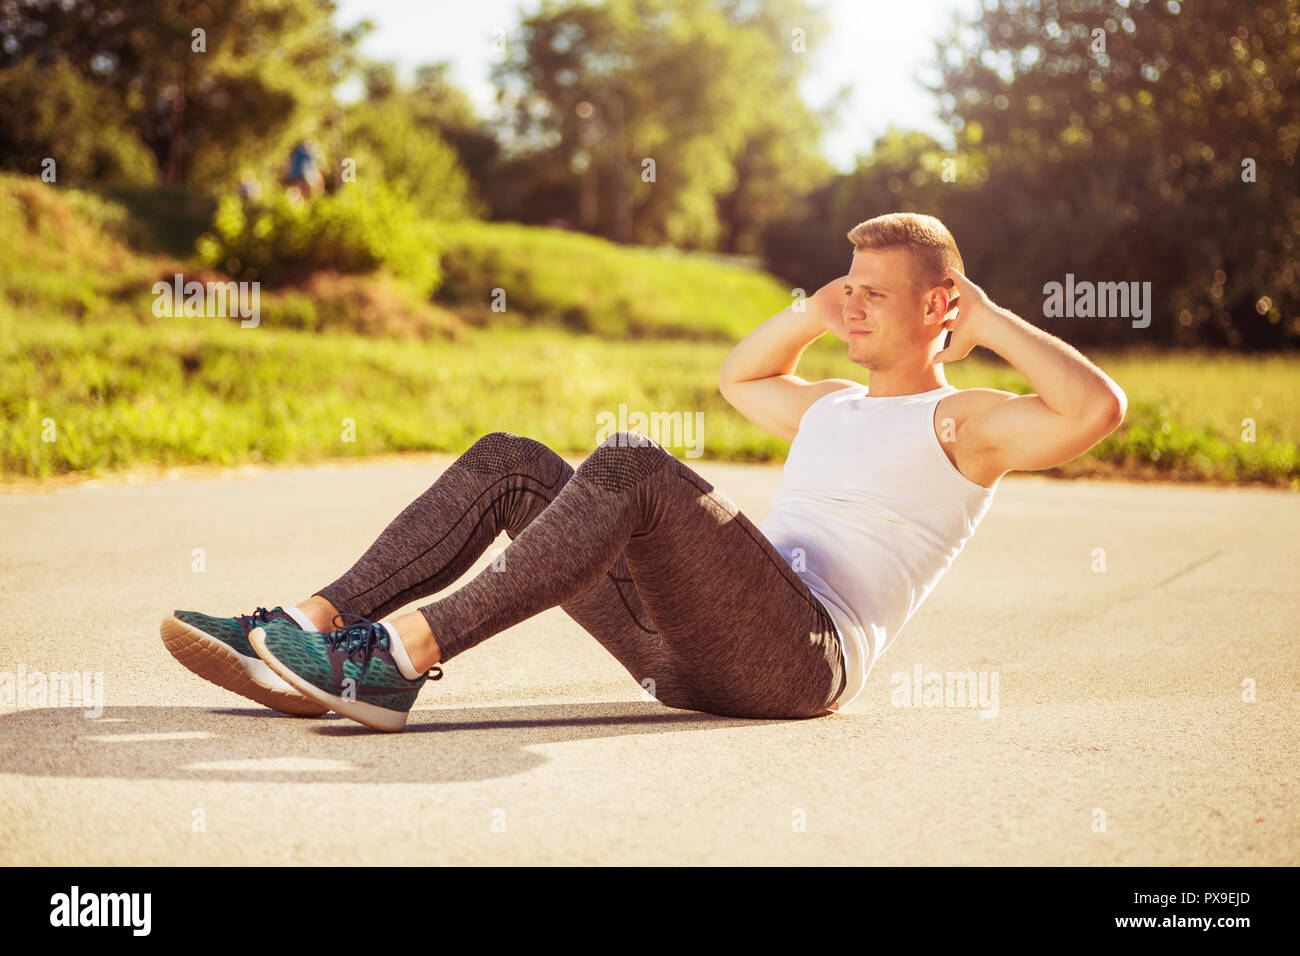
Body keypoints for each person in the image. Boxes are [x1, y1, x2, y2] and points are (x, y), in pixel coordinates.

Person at [160, 212, 1127, 732]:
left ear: (938, 305)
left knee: (633, 466)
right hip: (684, 651)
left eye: (875, 294)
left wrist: (989, 319)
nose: (853, 306)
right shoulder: (832, 405)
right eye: (848, 288)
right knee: (511, 463)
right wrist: (811, 309)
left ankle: (394, 661)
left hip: (797, 661)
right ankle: (305, 635)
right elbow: (739, 375)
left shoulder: (962, 423)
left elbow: (1095, 412)